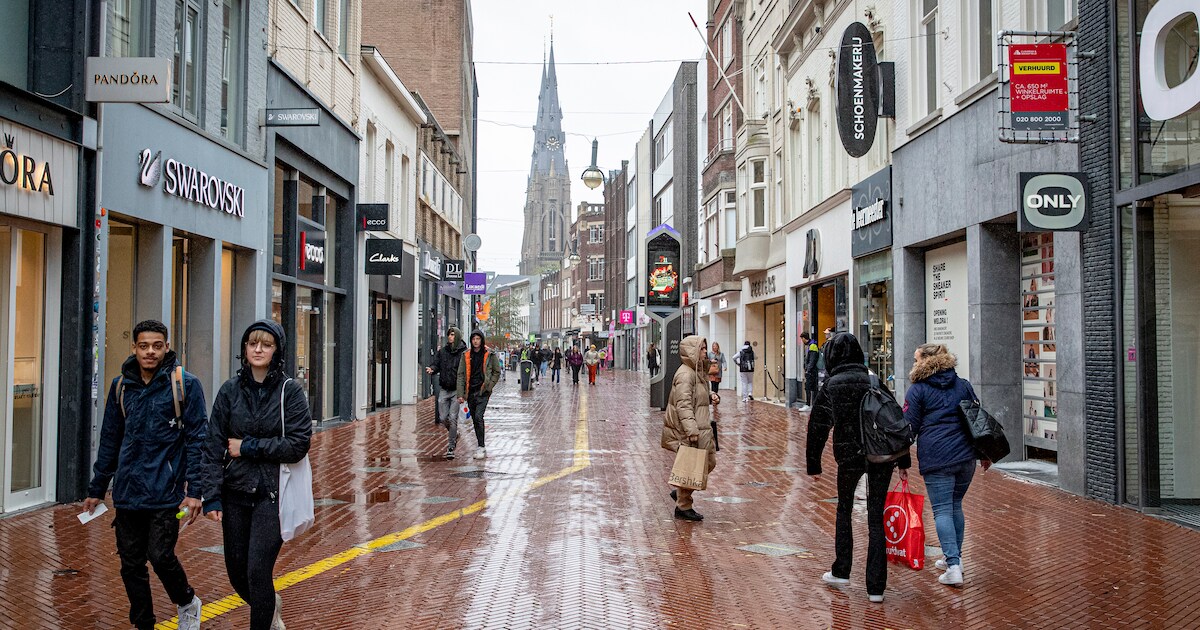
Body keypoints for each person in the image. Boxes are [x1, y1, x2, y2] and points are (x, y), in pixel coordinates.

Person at [84, 320, 207, 630]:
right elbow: (110, 440)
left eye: (156, 345)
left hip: (166, 491)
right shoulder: (120, 387)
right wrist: (97, 488)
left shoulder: (185, 385)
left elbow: (197, 441)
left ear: (166, 347)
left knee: (161, 555)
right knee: (130, 565)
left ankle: (187, 601)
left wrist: (195, 491)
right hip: (127, 492)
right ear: (134, 348)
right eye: (143, 346)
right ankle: (143, 624)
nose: (150, 352)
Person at [202, 320, 311, 630]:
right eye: (253, 344)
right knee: (236, 573)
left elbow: (298, 444)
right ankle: (268, 605)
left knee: (257, 571)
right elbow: (211, 445)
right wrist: (210, 495)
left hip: (271, 495)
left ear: (277, 350)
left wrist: (248, 446)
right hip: (234, 493)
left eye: (266, 344)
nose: (258, 349)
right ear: (244, 349)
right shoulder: (229, 391)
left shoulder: (290, 392)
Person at [806, 332, 908, 604]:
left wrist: (813, 464)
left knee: (844, 509)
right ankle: (876, 588)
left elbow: (817, 426)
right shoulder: (873, 379)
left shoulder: (832, 384)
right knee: (876, 517)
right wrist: (903, 461)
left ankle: (841, 571)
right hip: (880, 457)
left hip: (848, 457)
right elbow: (894, 419)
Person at [904, 343, 987, 588]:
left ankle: (952, 566)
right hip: (965, 457)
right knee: (955, 506)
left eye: (916, 359)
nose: (914, 363)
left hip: (937, 457)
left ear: (927, 361)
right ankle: (955, 559)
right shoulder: (963, 384)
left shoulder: (917, 390)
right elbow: (978, 419)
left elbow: (909, 427)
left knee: (941, 510)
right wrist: (983, 452)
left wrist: (899, 456)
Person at [662, 335, 720, 521]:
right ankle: (683, 505)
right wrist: (691, 430)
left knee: (708, 463)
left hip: (702, 427)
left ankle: (681, 490)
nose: (705, 351)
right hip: (693, 429)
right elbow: (683, 404)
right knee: (693, 466)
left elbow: (696, 396)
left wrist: (710, 396)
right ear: (692, 351)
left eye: (704, 348)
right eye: (702, 349)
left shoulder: (696, 371)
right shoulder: (685, 374)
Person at [457, 330, 501, 460]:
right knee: (475, 419)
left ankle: (481, 446)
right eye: (473, 339)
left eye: (478, 338)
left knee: (478, 416)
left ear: (481, 340)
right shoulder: (465, 355)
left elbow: (496, 372)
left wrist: (489, 386)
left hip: (483, 391)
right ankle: (480, 444)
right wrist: (460, 394)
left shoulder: (489, 354)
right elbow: (461, 375)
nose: (475, 341)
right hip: (470, 391)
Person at [426, 326, 466, 459]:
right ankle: (455, 434)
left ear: (458, 336)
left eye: (453, 334)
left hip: (456, 390)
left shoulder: (464, 353)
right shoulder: (442, 351)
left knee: (452, 418)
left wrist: (464, 390)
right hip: (444, 388)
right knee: (443, 418)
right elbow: (436, 364)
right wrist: (432, 369)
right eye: (449, 334)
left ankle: (451, 446)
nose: (450, 337)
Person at [800, 332, 820, 412]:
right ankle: (811, 404)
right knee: (811, 387)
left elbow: (812, 359)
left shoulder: (812, 346)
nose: (802, 341)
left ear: (804, 338)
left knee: (809, 387)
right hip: (811, 370)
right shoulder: (811, 345)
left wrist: (808, 370)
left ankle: (809, 404)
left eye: (802, 339)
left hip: (812, 371)